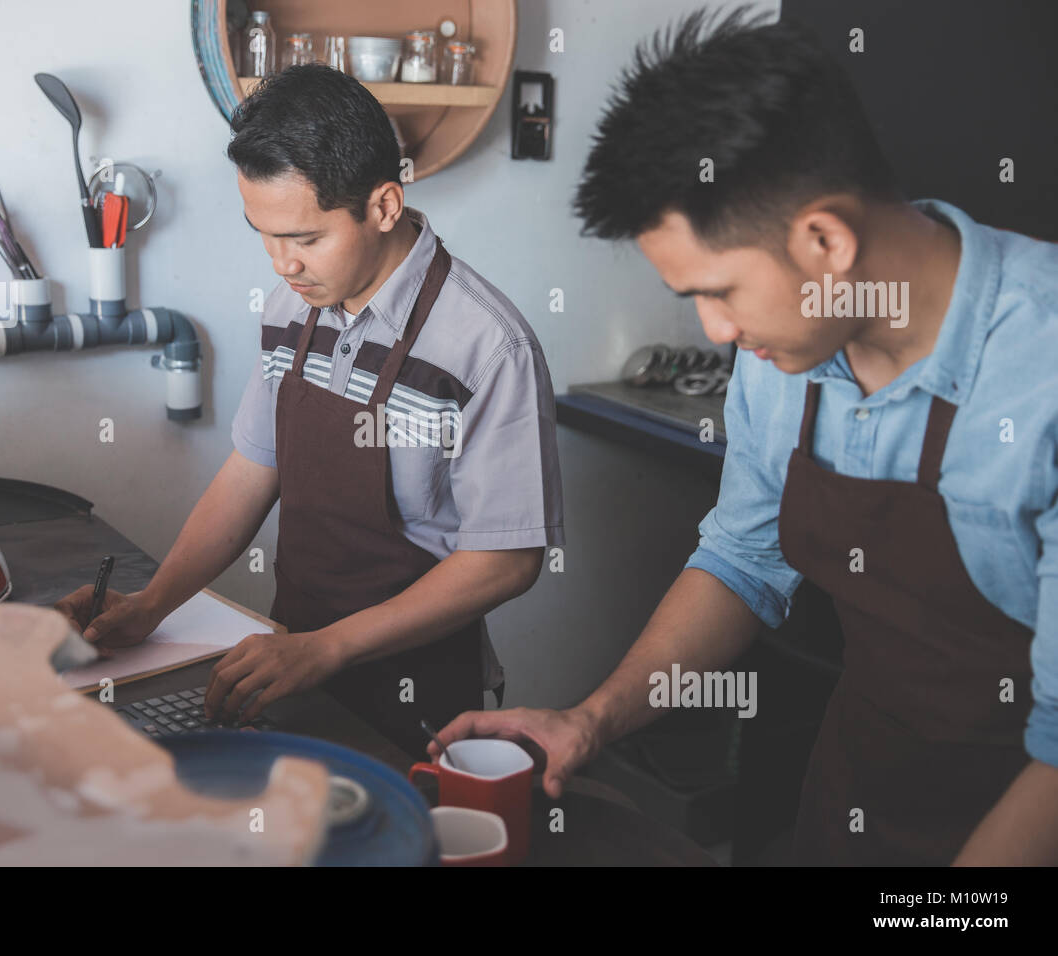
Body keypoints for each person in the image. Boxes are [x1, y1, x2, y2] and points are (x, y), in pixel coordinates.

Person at [433, 7, 1058, 866]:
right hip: (856, 804)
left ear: (826, 241)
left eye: (721, 291)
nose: (715, 332)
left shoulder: (1042, 370)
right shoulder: (787, 350)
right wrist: (591, 718)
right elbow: (741, 563)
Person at [57, 65, 564, 757]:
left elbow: (507, 561)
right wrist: (152, 605)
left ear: (384, 206)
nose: (281, 266)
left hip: (416, 690)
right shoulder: (292, 310)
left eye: (305, 240)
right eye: (262, 235)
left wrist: (330, 648)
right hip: (292, 663)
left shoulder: (485, 346)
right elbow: (251, 470)